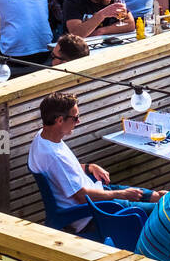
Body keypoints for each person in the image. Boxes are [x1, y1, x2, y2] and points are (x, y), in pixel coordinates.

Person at [29, 93, 161, 233]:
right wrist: (121, 194)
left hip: (95, 192)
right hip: (92, 212)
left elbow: (63, 171)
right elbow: (81, 197)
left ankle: (164, 198)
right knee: (159, 211)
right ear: (60, 120)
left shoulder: (42, 138)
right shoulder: (53, 155)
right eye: (75, 118)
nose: (78, 122)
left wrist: (90, 167)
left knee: (153, 197)